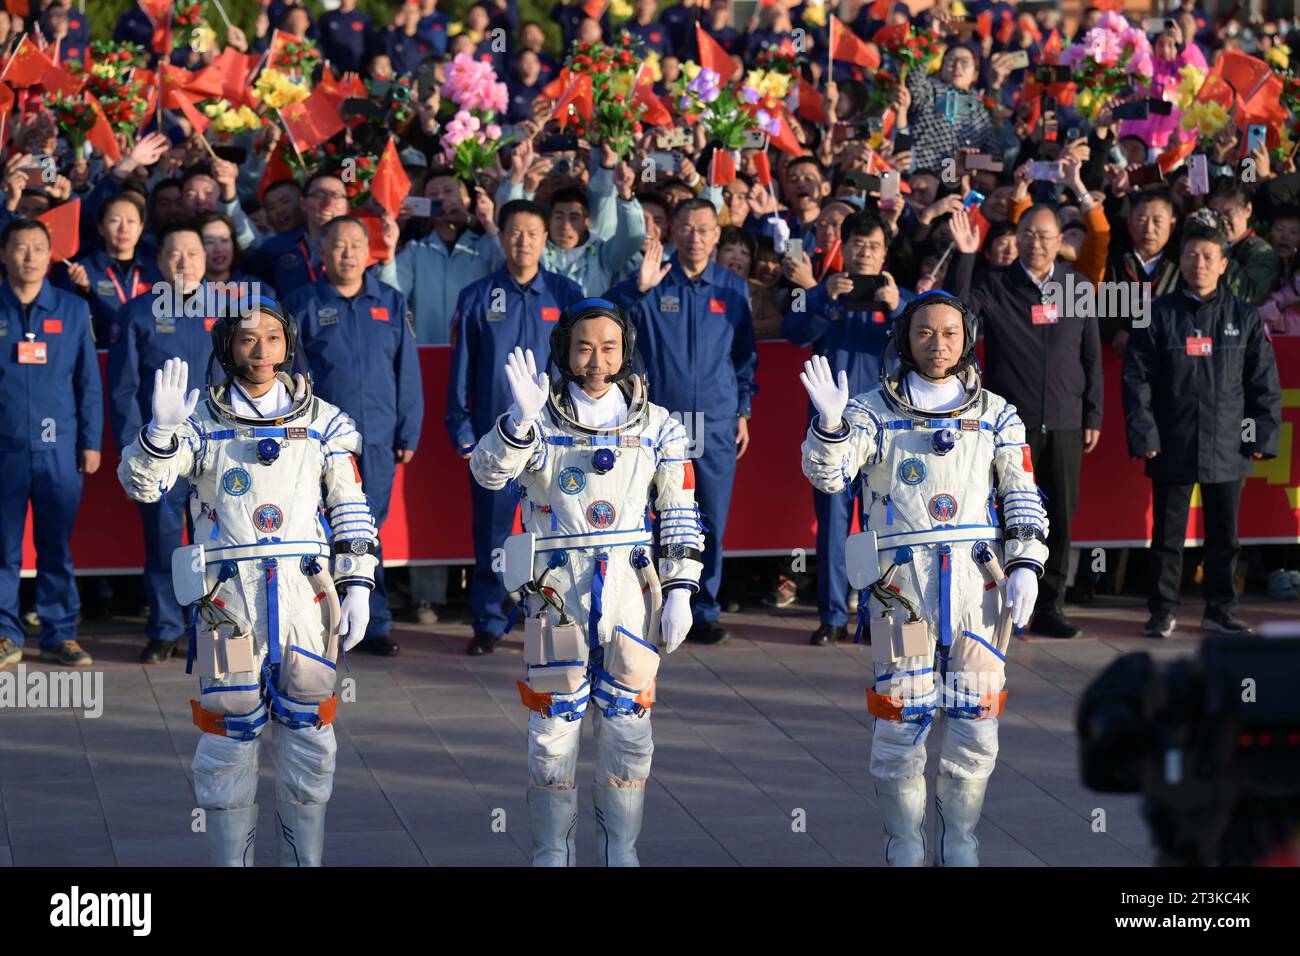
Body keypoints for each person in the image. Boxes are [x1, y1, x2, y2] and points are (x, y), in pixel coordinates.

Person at [116, 301, 378, 867]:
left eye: (273, 338)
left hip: (307, 599)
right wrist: (158, 434)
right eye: (247, 340)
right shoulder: (200, 423)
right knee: (228, 731)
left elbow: (350, 503)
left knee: (310, 732)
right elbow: (143, 486)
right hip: (227, 603)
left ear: (289, 345)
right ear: (226, 347)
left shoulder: (326, 422)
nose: (261, 352)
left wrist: (358, 581)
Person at [799, 291, 1049, 866]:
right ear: (904, 340)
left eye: (950, 333)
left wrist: (1026, 563)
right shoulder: (869, 411)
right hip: (900, 594)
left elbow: (1021, 493)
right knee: (899, 727)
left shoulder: (995, 414)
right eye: (925, 334)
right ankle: (905, 849)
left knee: (974, 726)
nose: (939, 346)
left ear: (968, 339)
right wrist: (830, 426)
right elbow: (832, 479)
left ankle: (960, 846)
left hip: (978, 591)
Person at [469, 300, 701, 866]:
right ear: (563, 352)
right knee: (552, 732)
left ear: (625, 352)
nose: (596, 360)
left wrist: (680, 589)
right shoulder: (538, 416)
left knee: (628, 730)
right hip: (556, 592)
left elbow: (678, 509)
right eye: (583, 347)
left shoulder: (658, 424)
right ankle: (553, 854)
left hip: (631, 588)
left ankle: (621, 853)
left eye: (609, 347)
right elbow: (487, 473)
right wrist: (518, 423)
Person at [947, 187, 1105, 639]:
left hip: (1066, 421)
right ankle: (1002, 601)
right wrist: (966, 258)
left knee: (1059, 515)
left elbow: (1092, 357)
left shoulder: (1076, 286)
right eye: (1028, 234)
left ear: (1060, 240)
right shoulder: (996, 284)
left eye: (1046, 235)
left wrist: (1093, 414)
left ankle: (1050, 604)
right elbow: (958, 315)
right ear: (1017, 237)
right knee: (1006, 513)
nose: (1037, 243)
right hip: (1008, 427)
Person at [1122, 209, 1281, 638]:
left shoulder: (1244, 317)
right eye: (1192, 256)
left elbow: (1262, 383)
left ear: (1223, 264)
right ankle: (1162, 610)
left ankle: (1221, 608)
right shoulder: (1157, 315)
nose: (1200, 265)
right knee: (1168, 537)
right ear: (1183, 259)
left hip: (1228, 444)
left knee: (1224, 537)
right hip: (1172, 441)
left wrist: (1260, 436)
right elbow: (1136, 380)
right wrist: (1146, 436)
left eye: (1209, 257)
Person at [608, 199, 757, 644]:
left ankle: (702, 606)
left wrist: (743, 409)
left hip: (715, 419)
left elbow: (745, 355)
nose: (695, 236)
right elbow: (604, 315)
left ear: (717, 235)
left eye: (705, 229)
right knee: (651, 512)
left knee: (708, 514)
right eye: (687, 228)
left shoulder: (731, 288)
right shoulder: (653, 279)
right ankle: (648, 601)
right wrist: (637, 288)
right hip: (658, 423)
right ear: (672, 232)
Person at [448, 199, 584, 655]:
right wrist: (463, 430)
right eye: (515, 232)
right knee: (492, 532)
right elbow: (461, 372)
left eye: (533, 232)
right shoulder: (477, 297)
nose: (523, 241)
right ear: (502, 237)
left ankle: (551, 614)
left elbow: (582, 366)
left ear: (547, 239)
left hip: (556, 438)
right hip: (497, 438)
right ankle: (489, 619)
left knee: (553, 525)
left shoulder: (566, 295)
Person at [287, 216, 424, 656]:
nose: (347, 253)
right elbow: (292, 376)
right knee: (319, 527)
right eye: (337, 245)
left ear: (370, 253)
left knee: (368, 528)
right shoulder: (302, 303)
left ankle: (374, 620)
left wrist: (409, 428)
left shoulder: (389, 301)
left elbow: (408, 373)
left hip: (379, 437)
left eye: (355, 245)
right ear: (321, 253)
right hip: (321, 443)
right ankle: (318, 617)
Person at [783, 210, 914, 644]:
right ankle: (834, 616)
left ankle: (884, 611)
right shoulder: (822, 291)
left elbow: (925, 341)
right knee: (835, 526)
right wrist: (823, 297)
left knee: (887, 524)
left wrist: (898, 308)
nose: (865, 253)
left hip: (886, 432)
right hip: (833, 429)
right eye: (857, 245)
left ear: (885, 252)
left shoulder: (900, 298)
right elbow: (796, 330)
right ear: (844, 246)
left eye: (874, 246)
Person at [107, 223, 229, 663]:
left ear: (208, 259)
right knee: (163, 542)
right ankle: (164, 627)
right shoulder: (138, 313)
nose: (184, 262)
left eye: (193, 253)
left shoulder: (229, 310)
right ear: (159, 263)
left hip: (217, 451)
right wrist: (133, 451)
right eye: (174, 254)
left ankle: (217, 626)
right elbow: (122, 390)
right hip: (161, 450)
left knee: (218, 542)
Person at [0, 218, 102, 670]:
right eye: (19, 247)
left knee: (56, 546)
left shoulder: (72, 309)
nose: (28, 256)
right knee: (3, 548)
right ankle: (5, 634)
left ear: (50, 255)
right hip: (4, 449)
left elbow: (88, 384)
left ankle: (61, 633)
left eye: (38, 248)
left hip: (58, 449)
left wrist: (90, 442)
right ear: (3, 255)